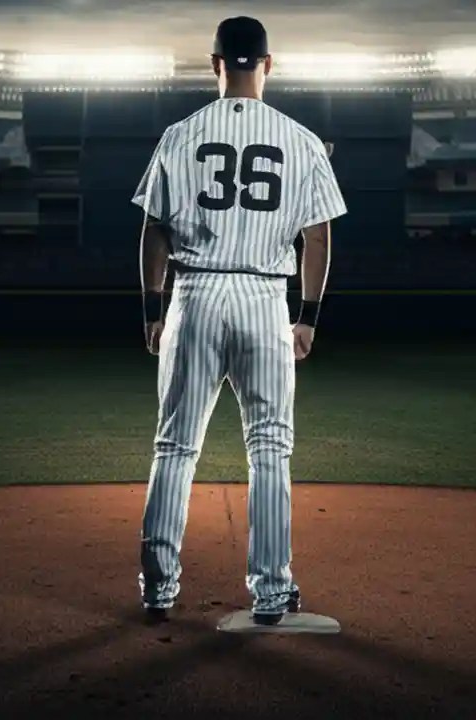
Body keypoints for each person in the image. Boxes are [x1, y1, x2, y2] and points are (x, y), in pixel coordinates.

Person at [131, 15, 348, 626]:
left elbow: (154, 229)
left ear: (215, 63)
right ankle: (273, 594)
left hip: (194, 294)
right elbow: (318, 235)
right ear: (269, 64)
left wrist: (154, 307)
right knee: (270, 451)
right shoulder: (300, 139)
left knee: (174, 447)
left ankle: (158, 590)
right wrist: (306, 317)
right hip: (263, 297)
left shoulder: (180, 133)